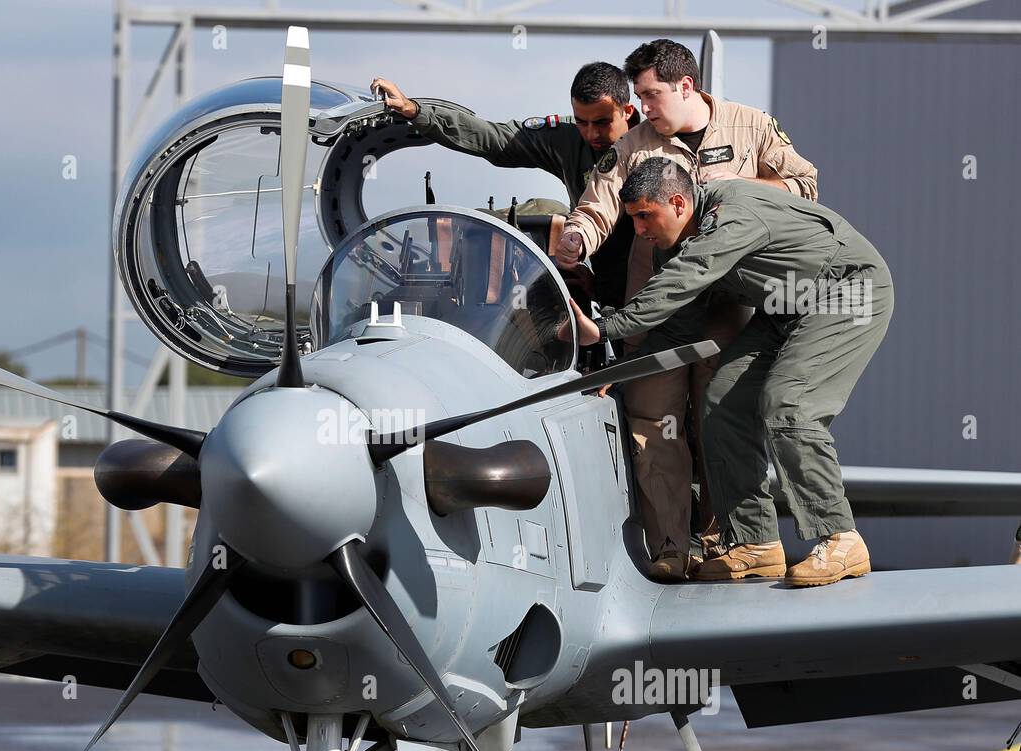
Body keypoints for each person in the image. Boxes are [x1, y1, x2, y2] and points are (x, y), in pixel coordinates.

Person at [554, 39, 819, 582]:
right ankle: (671, 546)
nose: (643, 106)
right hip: (659, 308)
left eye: (651, 96)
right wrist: (578, 237)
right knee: (655, 426)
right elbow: (598, 202)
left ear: (686, 86)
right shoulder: (632, 145)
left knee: (723, 420)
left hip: (732, 305)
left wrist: (739, 184)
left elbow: (806, 187)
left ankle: (730, 541)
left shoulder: (753, 127)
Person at [571, 157, 891, 587]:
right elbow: (679, 321)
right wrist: (624, 366)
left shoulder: (733, 214)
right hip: (787, 307)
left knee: (788, 404)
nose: (641, 230)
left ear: (680, 204)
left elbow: (690, 275)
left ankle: (840, 536)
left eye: (646, 216)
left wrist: (606, 327)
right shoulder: (681, 241)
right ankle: (755, 541)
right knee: (721, 402)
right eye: (634, 220)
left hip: (847, 291)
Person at [370, 62, 638, 308]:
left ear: (628, 111)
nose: (591, 133)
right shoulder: (567, 140)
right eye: (582, 122)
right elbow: (493, 139)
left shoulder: (658, 147)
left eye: (602, 123)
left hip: (655, 288)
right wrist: (414, 110)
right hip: (607, 292)